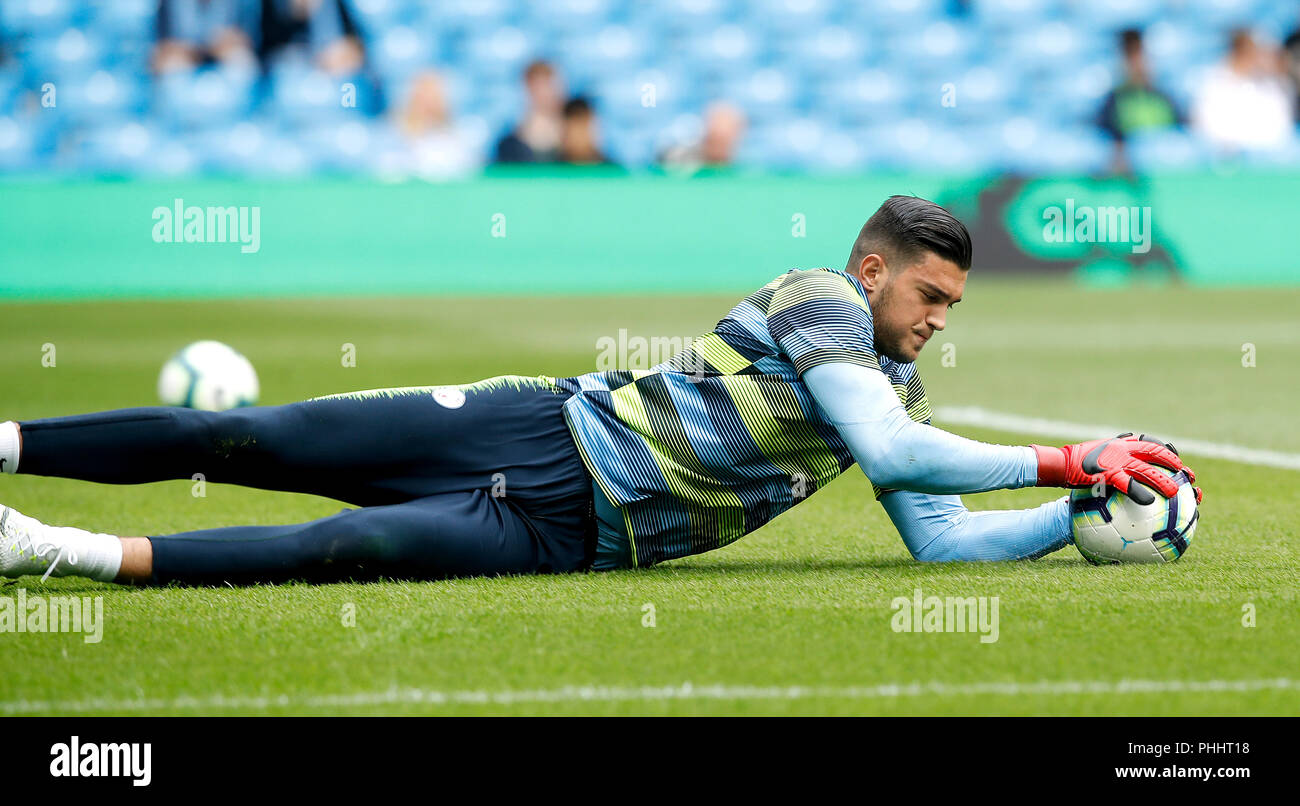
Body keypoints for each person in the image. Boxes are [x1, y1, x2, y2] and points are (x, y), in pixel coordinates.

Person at [0, 196, 1200, 586]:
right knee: (250, 433)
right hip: (548, 419)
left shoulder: (888, 389)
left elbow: (934, 538)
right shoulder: (819, 299)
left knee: (345, 542)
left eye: (953, 306)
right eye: (928, 294)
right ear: (872, 268)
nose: (937, 318)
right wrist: (1065, 456)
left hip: (569, 528)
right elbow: (890, 456)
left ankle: (48, 547)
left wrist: (1078, 513)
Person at [1191, 29, 1295, 152]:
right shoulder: (1213, 82)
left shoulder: (1272, 85)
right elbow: (1205, 129)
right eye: (1248, 52)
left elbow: (1281, 130)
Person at [1096, 29, 1181, 173]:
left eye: (1142, 56)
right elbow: (1109, 138)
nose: (1139, 64)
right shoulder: (1114, 100)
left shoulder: (1164, 97)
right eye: (1132, 57)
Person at [394, 70, 479, 180]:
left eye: (432, 94)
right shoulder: (394, 133)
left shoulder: (456, 138)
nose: (427, 100)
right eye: (422, 93)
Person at [152, 0, 258, 74]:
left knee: (240, 61)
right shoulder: (167, 4)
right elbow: (162, 47)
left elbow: (247, 39)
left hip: (225, 57)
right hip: (182, 58)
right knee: (171, 66)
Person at [494, 60, 565, 163]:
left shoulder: (574, 143)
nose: (546, 93)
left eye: (549, 85)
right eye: (539, 86)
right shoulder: (509, 145)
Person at [660, 101, 748, 173]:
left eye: (722, 139)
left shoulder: (746, 169)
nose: (718, 137)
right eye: (714, 137)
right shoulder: (678, 162)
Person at [556, 96, 613, 165]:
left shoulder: (612, 170)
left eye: (583, 126)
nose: (579, 135)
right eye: (574, 127)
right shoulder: (550, 169)